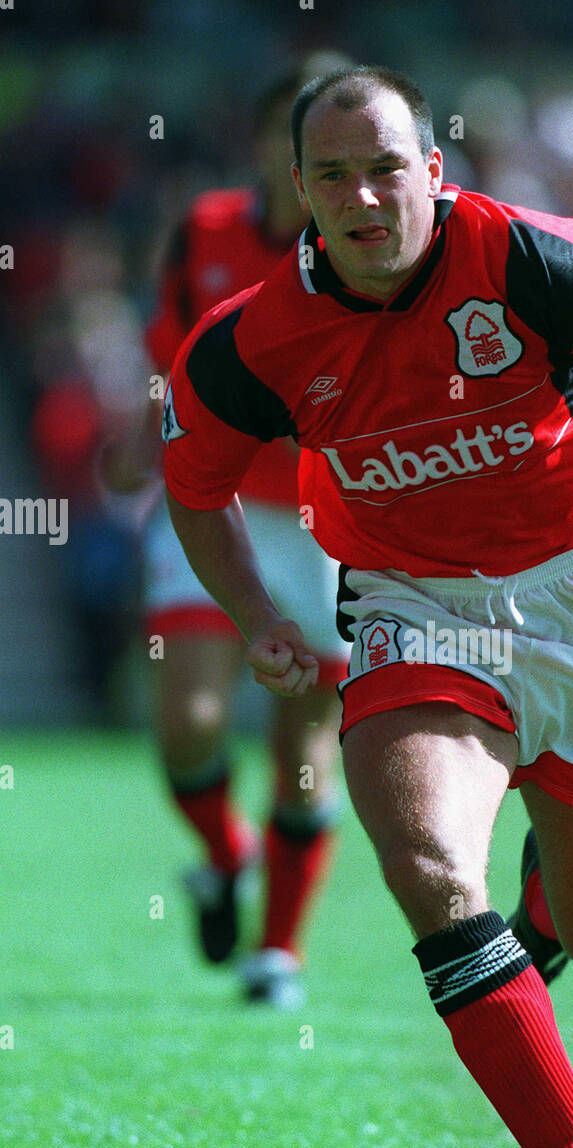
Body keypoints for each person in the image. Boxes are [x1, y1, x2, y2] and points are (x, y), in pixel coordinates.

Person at [161, 66, 573, 1148]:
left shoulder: (542, 259)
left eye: (386, 166)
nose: (364, 195)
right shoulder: (254, 338)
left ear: (433, 170)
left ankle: (554, 892)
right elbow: (194, 481)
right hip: (410, 607)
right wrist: (257, 615)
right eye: (333, 175)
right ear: (299, 195)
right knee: (430, 864)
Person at [102, 71, 350, 1008]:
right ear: (268, 151)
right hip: (218, 505)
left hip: (335, 519)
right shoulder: (204, 230)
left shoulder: (372, 246)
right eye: (312, 154)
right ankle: (223, 855)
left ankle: (278, 952)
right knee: (191, 724)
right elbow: (172, 352)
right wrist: (142, 428)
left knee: (304, 747)